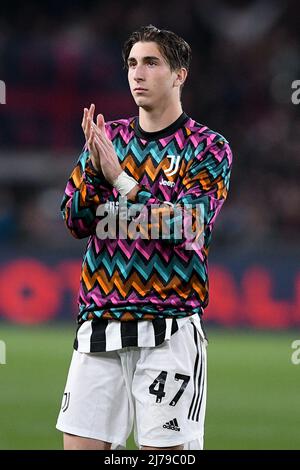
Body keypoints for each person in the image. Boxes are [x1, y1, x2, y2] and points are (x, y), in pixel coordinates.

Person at [56, 24, 233, 450]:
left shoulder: (207, 148)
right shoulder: (108, 138)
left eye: (151, 63)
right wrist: (97, 176)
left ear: (179, 74)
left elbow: (186, 226)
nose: (138, 73)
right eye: (133, 63)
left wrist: (120, 180)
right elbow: (75, 220)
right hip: (99, 325)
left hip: (167, 329)